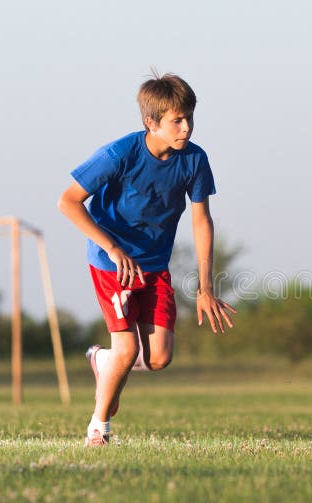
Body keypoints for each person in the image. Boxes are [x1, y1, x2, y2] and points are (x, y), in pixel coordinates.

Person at [58, 71, 235, 446]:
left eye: (189, 117)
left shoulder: (195, 160)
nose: (186, 127)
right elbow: (68, 202)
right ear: (151, 123)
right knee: (127, 350)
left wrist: (205, 287)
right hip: (112, 265)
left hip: (154, 267)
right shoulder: (119, 154)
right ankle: (98, 429)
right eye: (177, 120)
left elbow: (201, 221)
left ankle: (102, 361)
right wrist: (112, 247)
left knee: (158, 358)